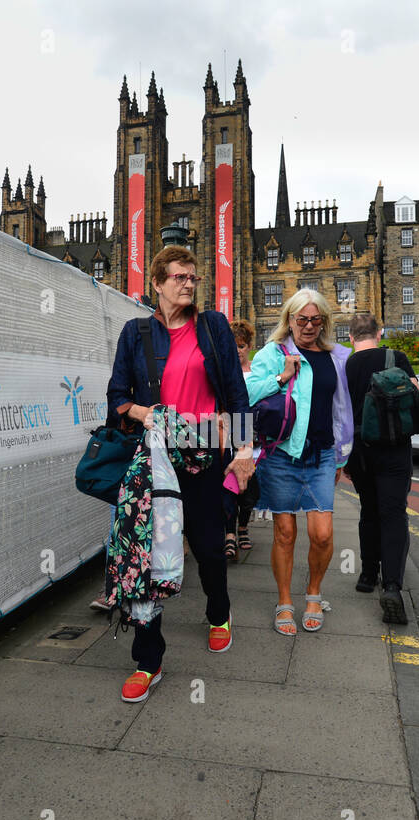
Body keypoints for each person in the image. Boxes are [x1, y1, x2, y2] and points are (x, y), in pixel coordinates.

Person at [106, 246, 254, 702]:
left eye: (193, 277)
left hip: (206, 454)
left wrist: (246, 449)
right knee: (146, 556)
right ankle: (148, 660)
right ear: (157, 283)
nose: (188, 284)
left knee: (209, 547)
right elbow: (116, 399)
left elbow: (235, 390)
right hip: (155, 459)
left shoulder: (212, 328)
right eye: (179, 277)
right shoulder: (135, 334)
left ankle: (218, 612)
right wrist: (142, 412)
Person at [245, 289, 353, 636]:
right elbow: (244, 393)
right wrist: (281, 377)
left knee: (321, 534)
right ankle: (284, 601)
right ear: (289, 320)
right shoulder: (274, 353)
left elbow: (343, 409)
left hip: (321, 454)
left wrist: (341, 456)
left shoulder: (336, 357)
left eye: (314, 319)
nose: (308, 326)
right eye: (301, 319)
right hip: (282, 456)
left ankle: (314, 593)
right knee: (285, 533)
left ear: (324, 321)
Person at [342, 314, 419, 624]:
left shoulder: (346, 365)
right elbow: (418, 397)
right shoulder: (396, 357)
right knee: (394, 513)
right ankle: (392, 585)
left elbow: (338, 413)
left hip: (359, 449)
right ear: (379, 333)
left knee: (368, 511)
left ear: (351, 337)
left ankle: (368, 575)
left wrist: (340, 456)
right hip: (395, 448)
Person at [223, 319, 261, 559]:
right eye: (233, 345)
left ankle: (243, 527)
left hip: (251, 436)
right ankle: (230, 534)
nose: (238, 350)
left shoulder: (256, 374)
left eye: (242, 345)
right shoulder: (224, 373)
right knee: (229, 485)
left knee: (248, 489)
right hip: (226, 434)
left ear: (249, 346)